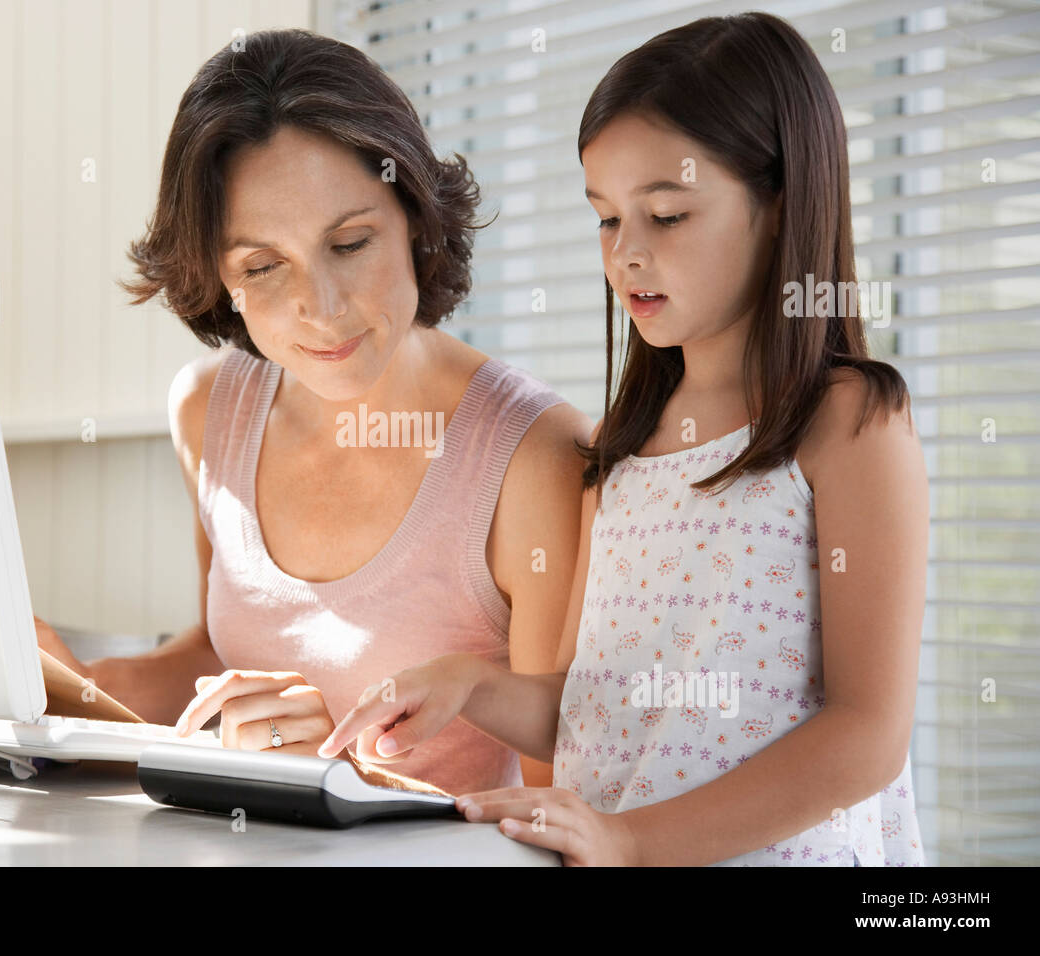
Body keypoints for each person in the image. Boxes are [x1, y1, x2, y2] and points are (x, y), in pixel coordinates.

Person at [321, 12, 927, 865]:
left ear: (782, 206)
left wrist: (630, 840)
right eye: (606, 219)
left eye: (667, 216)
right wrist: (472, 686)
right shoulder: (618, 448)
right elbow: (588, 702)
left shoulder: (852, 422)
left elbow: (868, 736)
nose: (626, 255)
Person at [36, 29, 590, 795]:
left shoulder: (537, 455)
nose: (321, 309)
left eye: (352, 242)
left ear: (415, 217)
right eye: (263, 267)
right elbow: (226, 659)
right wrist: (80, 682)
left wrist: (341, 783)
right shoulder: (209, 411)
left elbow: (557, 809)